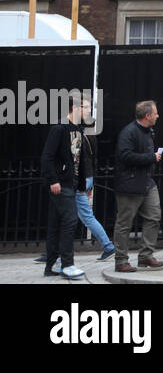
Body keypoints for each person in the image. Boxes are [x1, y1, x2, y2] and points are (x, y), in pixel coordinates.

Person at [40, 97, 91, 278]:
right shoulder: (60, 128)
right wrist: (53, 180)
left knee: (56, 224)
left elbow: (79, 160)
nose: (88, 111)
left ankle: (51, 265)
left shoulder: (78, 129)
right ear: (75, 108)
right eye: (86, 107)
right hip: (61, 184)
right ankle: (67, 265)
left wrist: (83, 184)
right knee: (70, 221)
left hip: (72, 184)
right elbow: (47, 157)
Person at [113, 100, 163, 272]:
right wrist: (151, 157)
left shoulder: (148, 131)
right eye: (155, 113)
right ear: (147, 116)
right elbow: (125, 156)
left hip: (146, 182)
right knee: (124, 223)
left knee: (154, 216)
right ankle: (121, 261)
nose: (158, 115)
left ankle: (146, 256)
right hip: (130, 183)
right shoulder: (129, 132)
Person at [72, 103, 115, 263]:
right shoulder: (90, 133)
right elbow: (93, 158)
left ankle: (108, 246)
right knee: (72, 215)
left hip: (81, 178)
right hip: (88, 177)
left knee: (83, 216)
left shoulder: (77, 132)